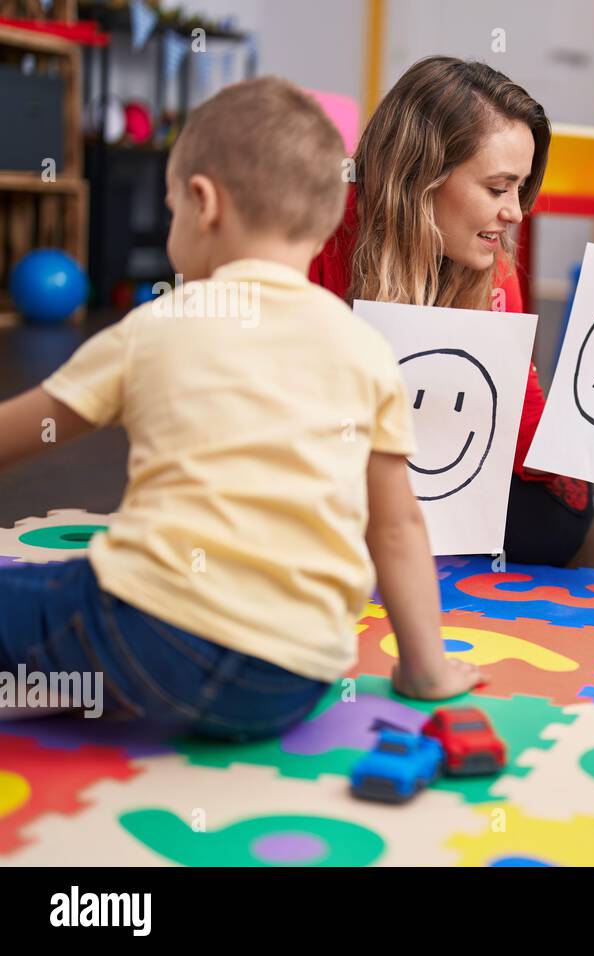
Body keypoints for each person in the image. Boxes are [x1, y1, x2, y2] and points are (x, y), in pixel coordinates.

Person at [0, 77, 478, 739]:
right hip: (291, 679)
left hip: (149, 629)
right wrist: (427, 670)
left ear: (203, 204)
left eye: (171, 208)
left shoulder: (158, 324)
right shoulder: (365, 350)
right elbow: (397, 527)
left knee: (47, 600)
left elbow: (21, 432)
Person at [310, 56, 594, 566]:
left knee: (555, 522)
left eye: (520, 187)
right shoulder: (319, 240)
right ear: (419, 177)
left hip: (429, 470)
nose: (515, 211)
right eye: (497, 188)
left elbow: (525, 425)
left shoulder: (487, 265)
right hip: (329, 461)